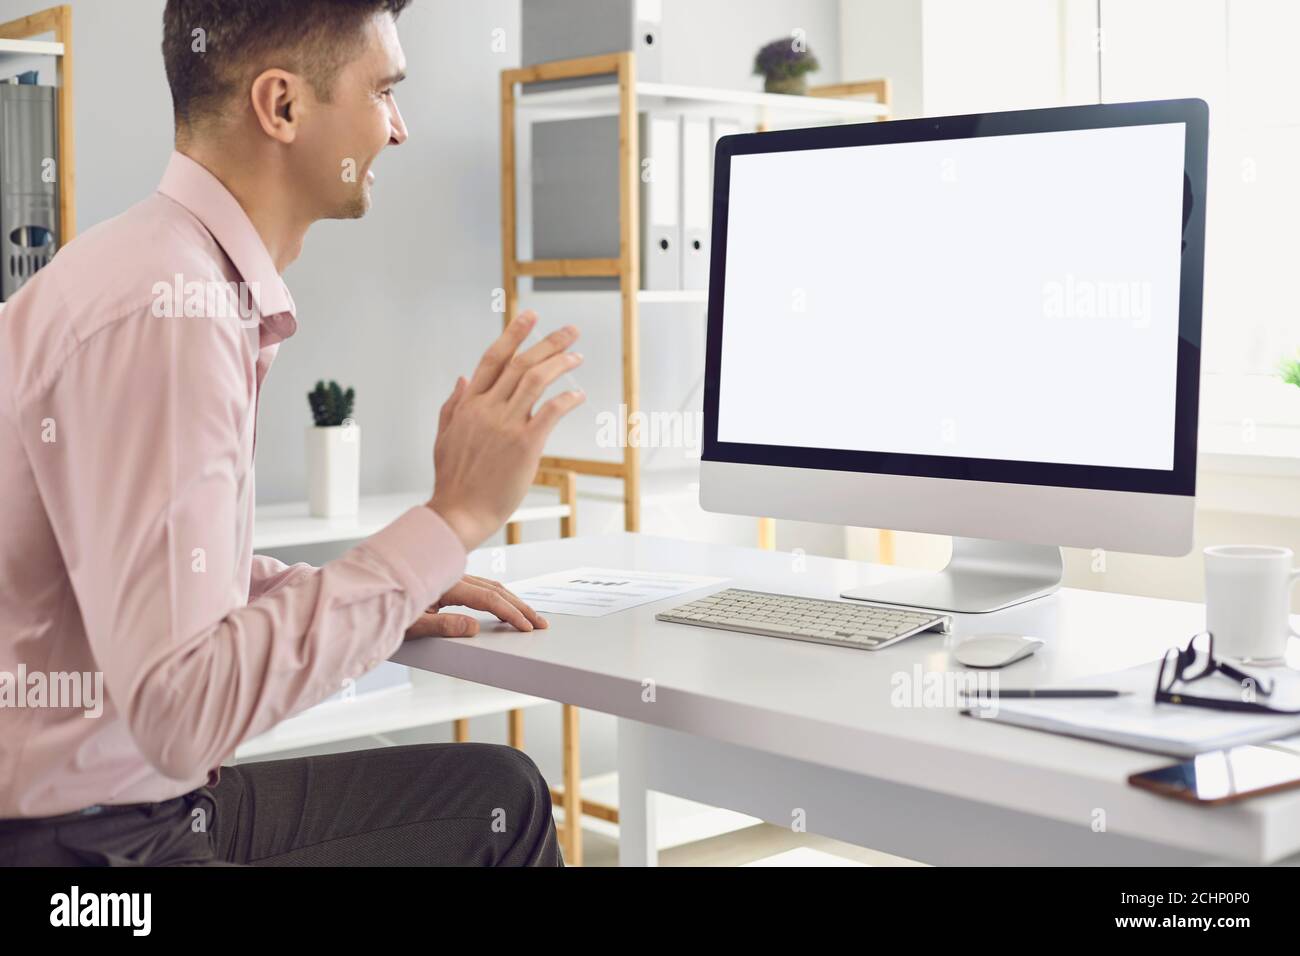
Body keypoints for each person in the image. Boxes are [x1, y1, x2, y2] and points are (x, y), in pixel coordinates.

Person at [0, 0, 583, 866]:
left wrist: (382, 602)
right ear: (281, 107)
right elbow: (180, 709)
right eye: (384, 92)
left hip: (125, 811)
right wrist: (450, 520)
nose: (400, 129)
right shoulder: (171, 314)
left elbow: (152, 583)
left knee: (501, 795)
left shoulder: (158, 269)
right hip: (94, 853)